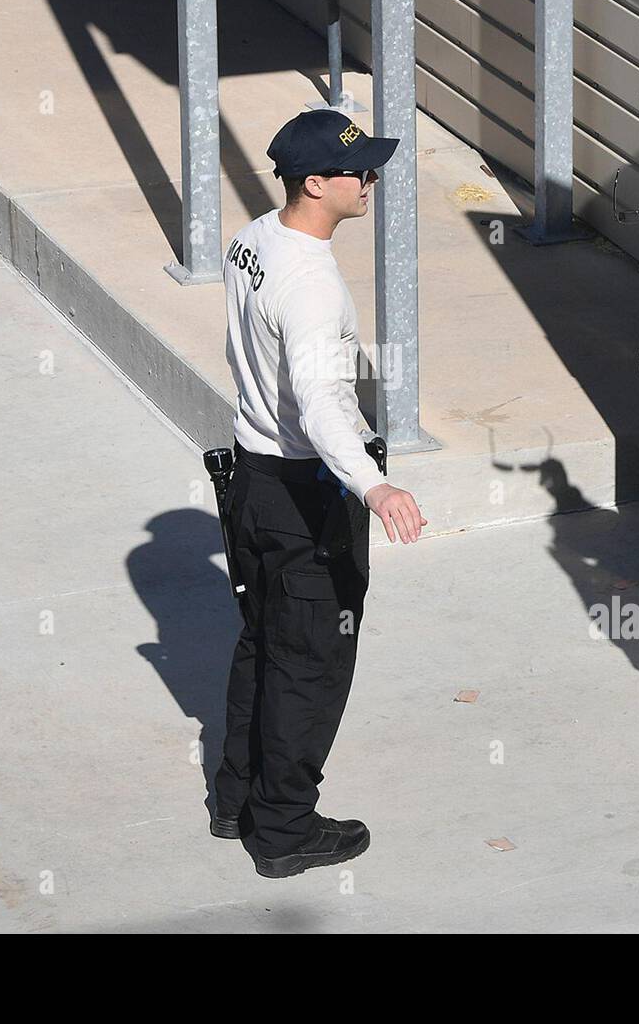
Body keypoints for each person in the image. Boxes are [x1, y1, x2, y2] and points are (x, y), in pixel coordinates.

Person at [212, 109, 427, 878]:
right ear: (315, 183)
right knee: (310, 664)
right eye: (358, 170)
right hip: (302, 494)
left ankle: (235, 798)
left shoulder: (252, 239)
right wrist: (373, 485)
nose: (369, 181)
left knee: (262, 642)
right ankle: (282, 829)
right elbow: (323, 402)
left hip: (252, 477)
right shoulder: (311, 284)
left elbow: (245, 349)